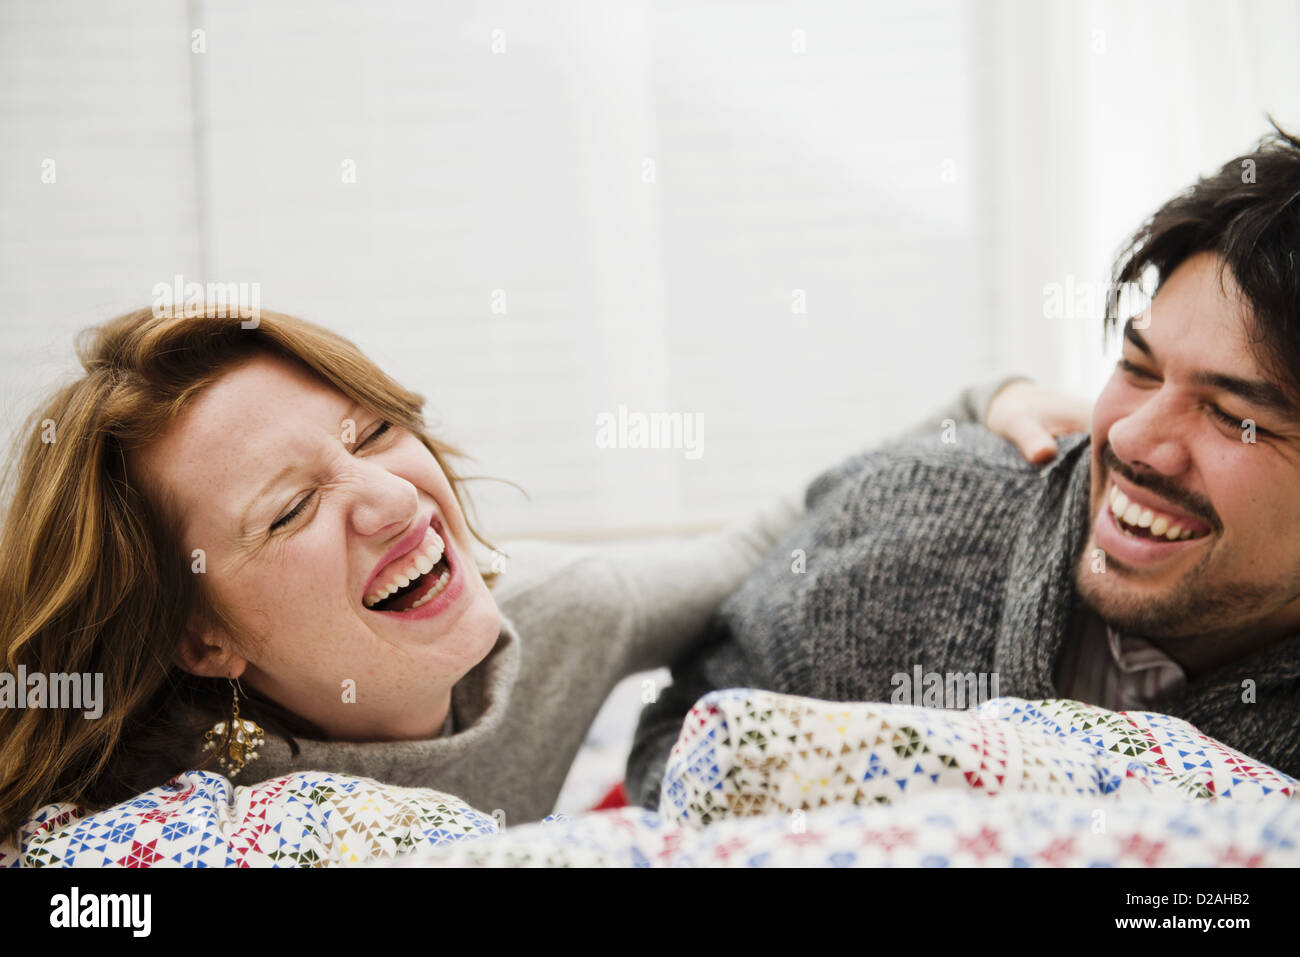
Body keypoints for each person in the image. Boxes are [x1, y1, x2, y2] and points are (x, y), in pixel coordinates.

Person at [0, 309, 1081, 837]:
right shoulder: (164, 810)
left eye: (373, 433)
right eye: (288, 511)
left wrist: (987, 401)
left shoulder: (556, 616)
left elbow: (763, 546)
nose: (389, 499)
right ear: (202, 641)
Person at [626, 122, 1300, 807]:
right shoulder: (915, 529)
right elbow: (677, 742)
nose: (1132, 438)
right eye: (1137, 367)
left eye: (1228, 415)